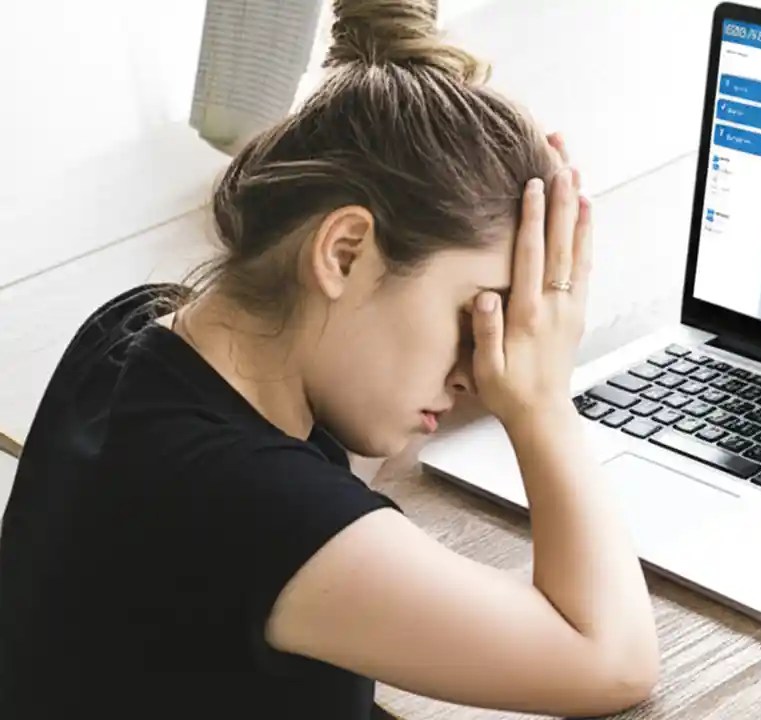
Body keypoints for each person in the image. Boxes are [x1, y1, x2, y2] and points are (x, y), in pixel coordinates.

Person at [0, 0, 660, 717]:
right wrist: (542, 403)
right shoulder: (255, 506)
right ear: (343, 252)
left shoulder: (135, 332)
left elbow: (332, 457)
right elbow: (612, 662)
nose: (480, 369)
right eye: (473, 315)